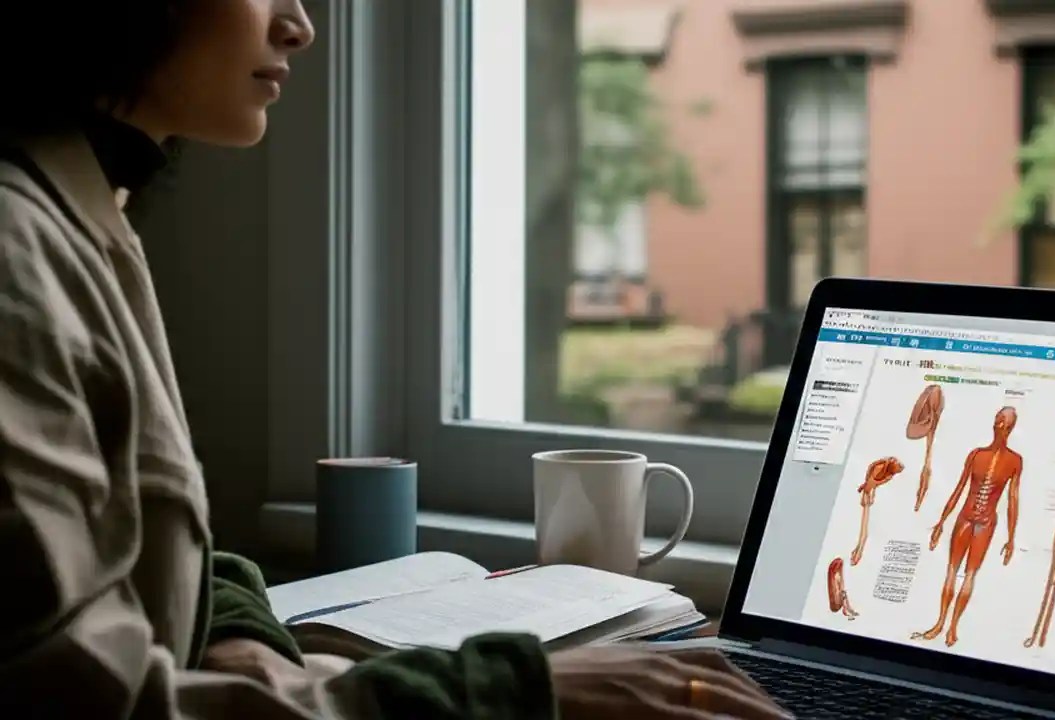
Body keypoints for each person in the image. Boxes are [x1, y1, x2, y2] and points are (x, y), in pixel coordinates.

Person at [0, 2, 788, 718]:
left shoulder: (81, 208)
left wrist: (235, 632)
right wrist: (514, 693)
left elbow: (128, 551)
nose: (299, 26)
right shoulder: (15, 255)